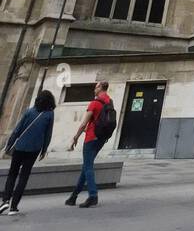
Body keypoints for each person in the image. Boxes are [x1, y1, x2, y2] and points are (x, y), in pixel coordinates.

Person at [1, 89, 56, 216]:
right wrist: (44, 149)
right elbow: (48, 134)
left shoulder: (29, 111)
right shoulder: (50, 115)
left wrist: (9, 144)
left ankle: (5, 200)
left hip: (20, 147)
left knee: (12, 174)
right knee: (23, 177)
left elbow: (17, 130)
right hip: (34, 149)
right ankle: (14, 207)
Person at [65, 79, 112, 208]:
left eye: (96, 87)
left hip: (91, 138)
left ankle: (93, 195)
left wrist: (75, 137)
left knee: (88, 166)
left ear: (101, 88)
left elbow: (83, 124)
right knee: (86, 166)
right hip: (101, 138)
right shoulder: (109, 101)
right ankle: (73, 196)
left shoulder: (95, 103)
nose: (94, 89)